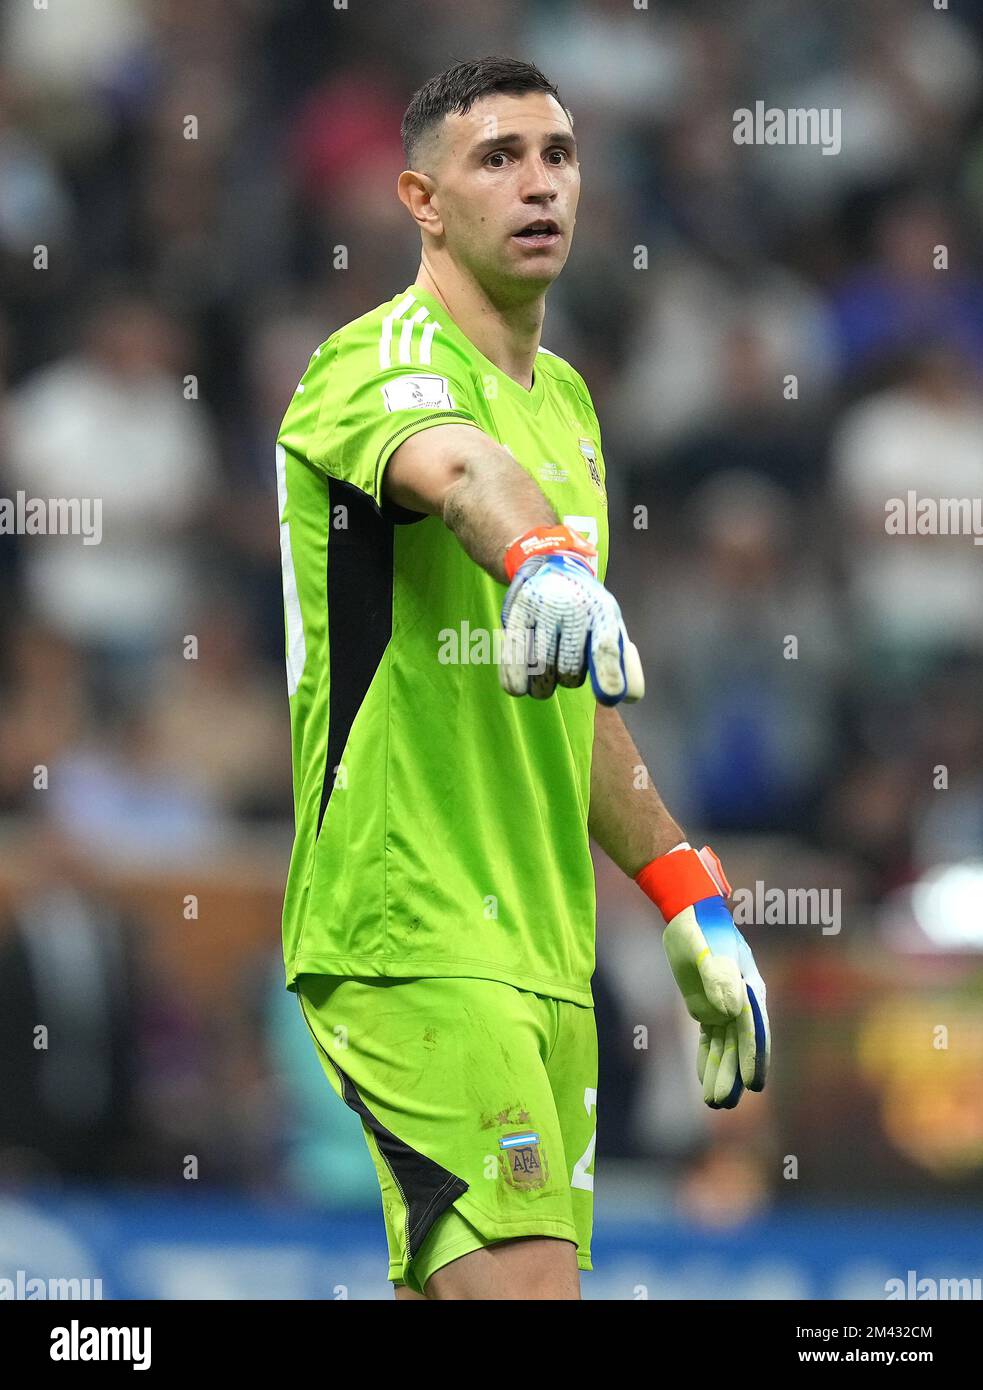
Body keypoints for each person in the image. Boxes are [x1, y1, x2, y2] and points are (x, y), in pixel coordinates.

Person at [274, 56, 770, 1302]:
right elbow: (454, 470)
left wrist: (682, 893)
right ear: (421, 200)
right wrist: (539, 553)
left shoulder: (566, 406)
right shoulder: (369, 360)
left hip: (545, 953)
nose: (537, 182)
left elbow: (572, 692)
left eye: (556, 154)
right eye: (496, 158)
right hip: (411, 927)